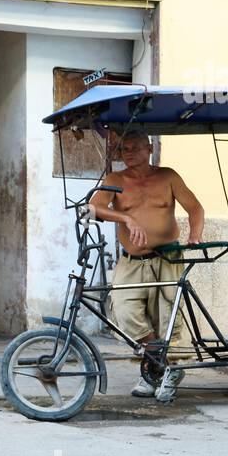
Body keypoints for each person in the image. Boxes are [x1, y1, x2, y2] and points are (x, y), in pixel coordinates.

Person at [89, 129, 205, 403]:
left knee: (167, 317)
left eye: (133, 147)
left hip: (167, 258)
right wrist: (125, 219)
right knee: (126, 312)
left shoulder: (168, 176)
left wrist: (195, 235)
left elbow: (195, 208)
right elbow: (93, 208)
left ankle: (159, 372)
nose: (127, 153)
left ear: (149, 148)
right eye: (123, 149)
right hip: (132, 261)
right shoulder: (115, 180)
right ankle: (159, 362)